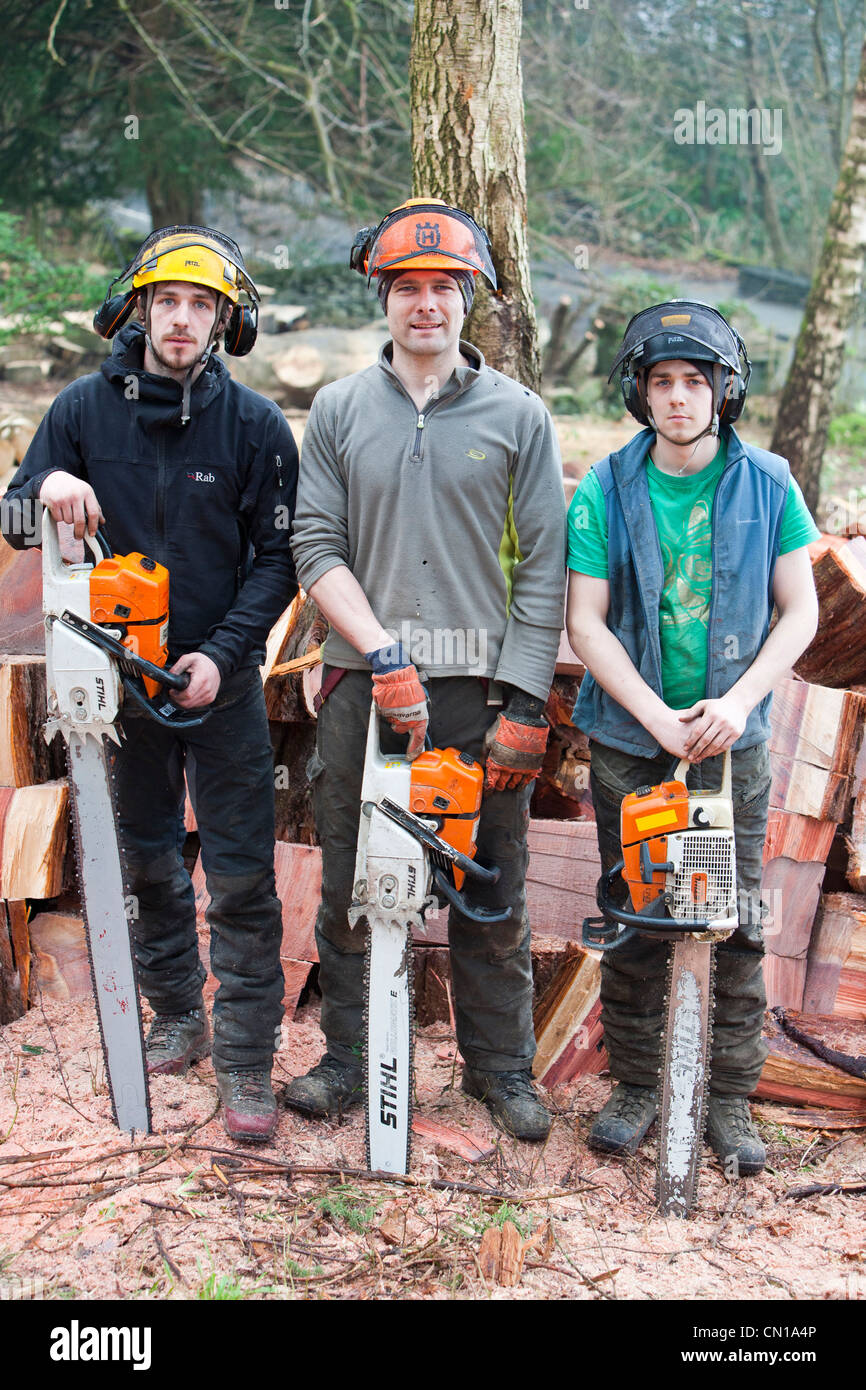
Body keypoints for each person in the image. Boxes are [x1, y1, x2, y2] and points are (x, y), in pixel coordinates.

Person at [1, 226, 299, 1142]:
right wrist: (48, 478)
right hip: (119, 688)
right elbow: (15, 515)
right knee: (147, 861)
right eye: (166, 302)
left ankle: (248, 1061)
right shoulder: (85, 410)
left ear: (222, 322)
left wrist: (227, 652)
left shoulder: (254, 426)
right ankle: (178, 1013)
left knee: (243, 875)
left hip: (221, 680)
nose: (180, 319)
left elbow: (281, 557)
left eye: (200, 306)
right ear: (138, 309)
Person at [287, 199, 567, 1140]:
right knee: (353, 884)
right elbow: (315, 545)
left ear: (470, 299)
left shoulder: (519, 416)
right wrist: (380, 651)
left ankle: (499, 1071)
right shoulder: (337, 409)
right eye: (408, 287)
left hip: (475, 689)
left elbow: (544, 564)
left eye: (445, 287)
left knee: (490, 883)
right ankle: (349, 1060)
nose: (426, 305)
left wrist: (526, 697)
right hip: (362, 682)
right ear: (384, 297)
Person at [566, 300, 819, 1175]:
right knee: (637, 914)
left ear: (724, 389)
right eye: (662, 382)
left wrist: (744, 700)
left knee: (735, 920)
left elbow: (803, 610)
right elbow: (587, 622)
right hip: (634, 740)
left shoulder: (771, 482)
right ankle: (637, 1086)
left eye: (694, 381)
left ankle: (725, 1100)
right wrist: (651, 714)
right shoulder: (604, 487)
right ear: (639, 393)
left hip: (732, 743)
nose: (678, 398)